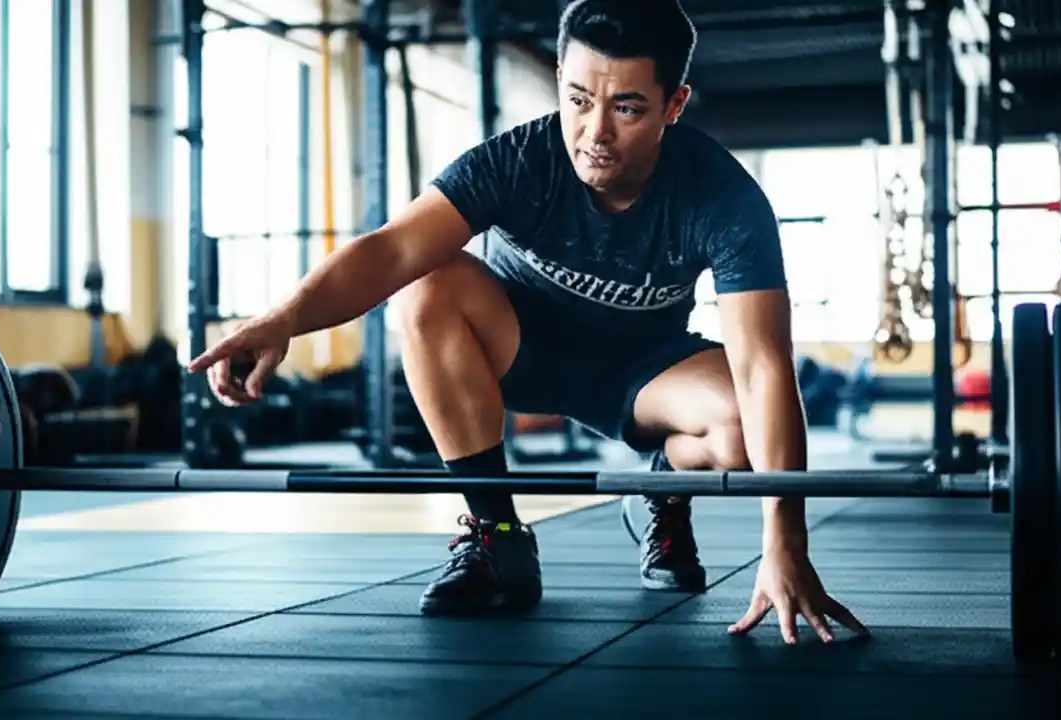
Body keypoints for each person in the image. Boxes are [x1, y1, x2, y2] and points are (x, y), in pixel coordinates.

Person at [189, 0, 870, 645]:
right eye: (578, 100)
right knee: (423, 283)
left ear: (674, 105)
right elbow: (392, 248)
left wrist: (784, 543)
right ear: (559, 81)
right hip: (519, 350)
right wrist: (282, 320)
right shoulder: (519, 161)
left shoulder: (722, 196)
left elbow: (762, 366)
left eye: (627, 108)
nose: (594, 132)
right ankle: (497, 537)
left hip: (644, 372)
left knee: (748, 431)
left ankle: (663, 489)